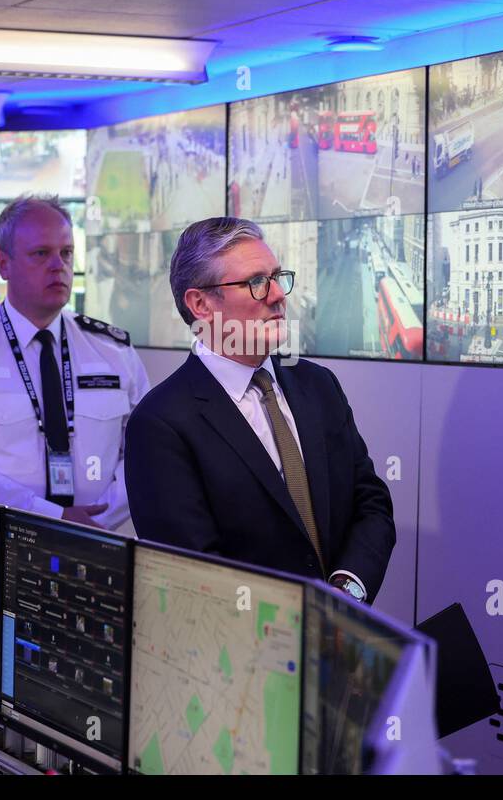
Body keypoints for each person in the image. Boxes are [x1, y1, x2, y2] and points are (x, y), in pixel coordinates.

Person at [124, 217, 395, 603]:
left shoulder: (319, 386)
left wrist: (346, 592)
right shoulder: (161, 424)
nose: (276, 295)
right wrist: (298, 628)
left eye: (276, 277)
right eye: (255, 283)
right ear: (200, 304)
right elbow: (195, 576)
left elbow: (371, 504)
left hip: (342, 643)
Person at [0, 196, 148, 531]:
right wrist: (49, 516)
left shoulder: (113, 350)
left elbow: (146, 451)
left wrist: (97, 519)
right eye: (41, 254)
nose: (59, 266)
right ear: (4, 264)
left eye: (66, 253)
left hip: (99, 541)